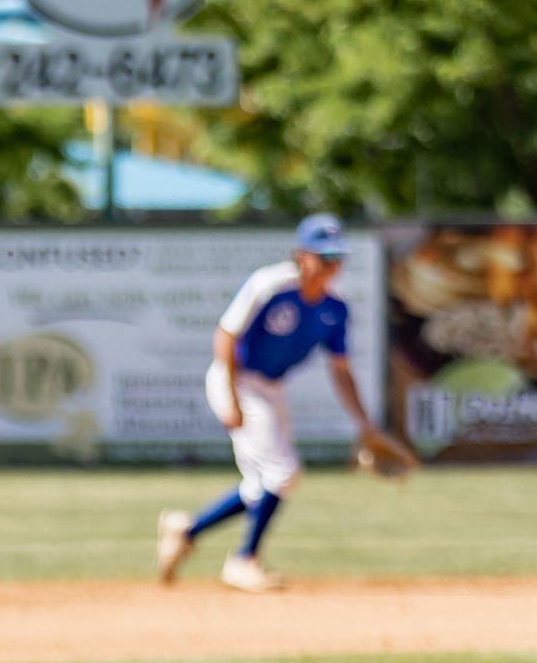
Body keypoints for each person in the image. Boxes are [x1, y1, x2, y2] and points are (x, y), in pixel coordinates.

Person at [157, 214, 382, 592]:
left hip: (271, 389)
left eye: (337, 258)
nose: (332, 266)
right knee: (283, 472)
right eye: (323, 256)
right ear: (302, 255)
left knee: (262, 485)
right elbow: (227, 337)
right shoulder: (272, 284)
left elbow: (341, 371)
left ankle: (186, 530)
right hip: (237, 380)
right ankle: (244, 560)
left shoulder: (336, 309)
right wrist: (231, 399)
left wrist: (365, 424)